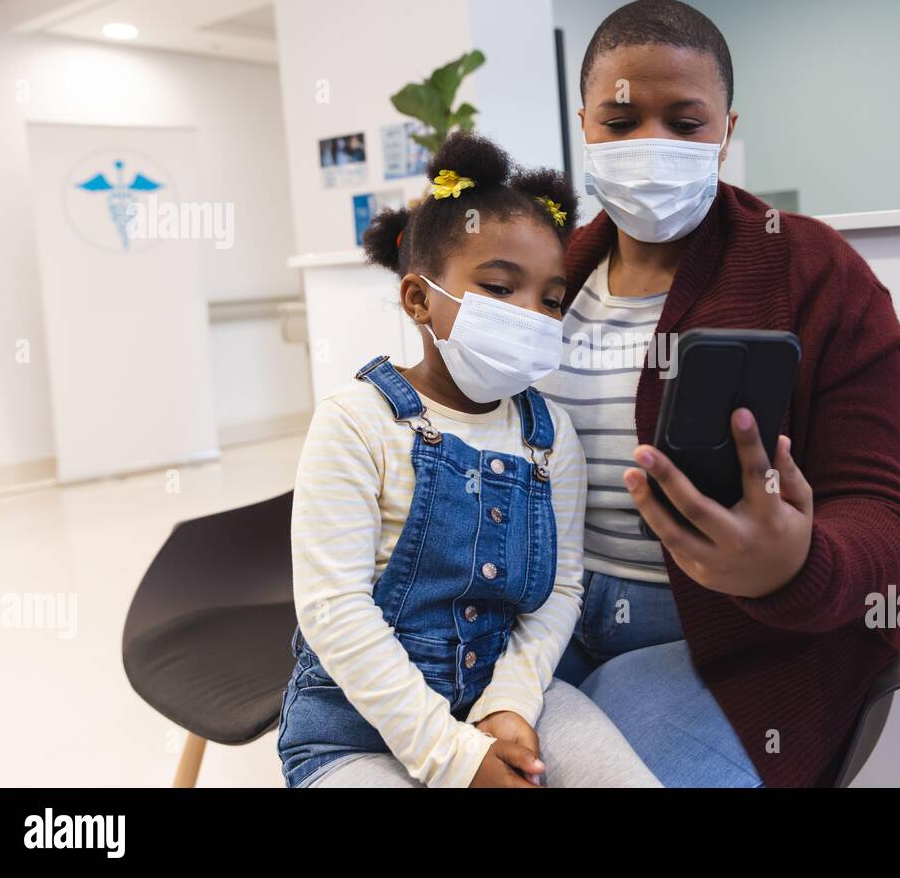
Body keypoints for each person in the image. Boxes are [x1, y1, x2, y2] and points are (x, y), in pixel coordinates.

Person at [540, 0, 900, 787]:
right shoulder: (544, 275)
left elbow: (879, 513)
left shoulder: (814, 271)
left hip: (734, 636)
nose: (651, 145)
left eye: (684, 123)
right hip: (544, 620)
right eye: (620, 122)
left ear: (727, 127)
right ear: (583, 124)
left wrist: (795, 563)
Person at [276, 131, 659, 788]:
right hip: (354, 730)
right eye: (500, 288)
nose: (532, 315)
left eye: (550, 299)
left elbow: (559, 590)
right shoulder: (356, 421)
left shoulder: (550, 435)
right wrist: (457, 758)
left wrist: (510, 701)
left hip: (502, 697)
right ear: (419, 299)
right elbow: (333, 609)